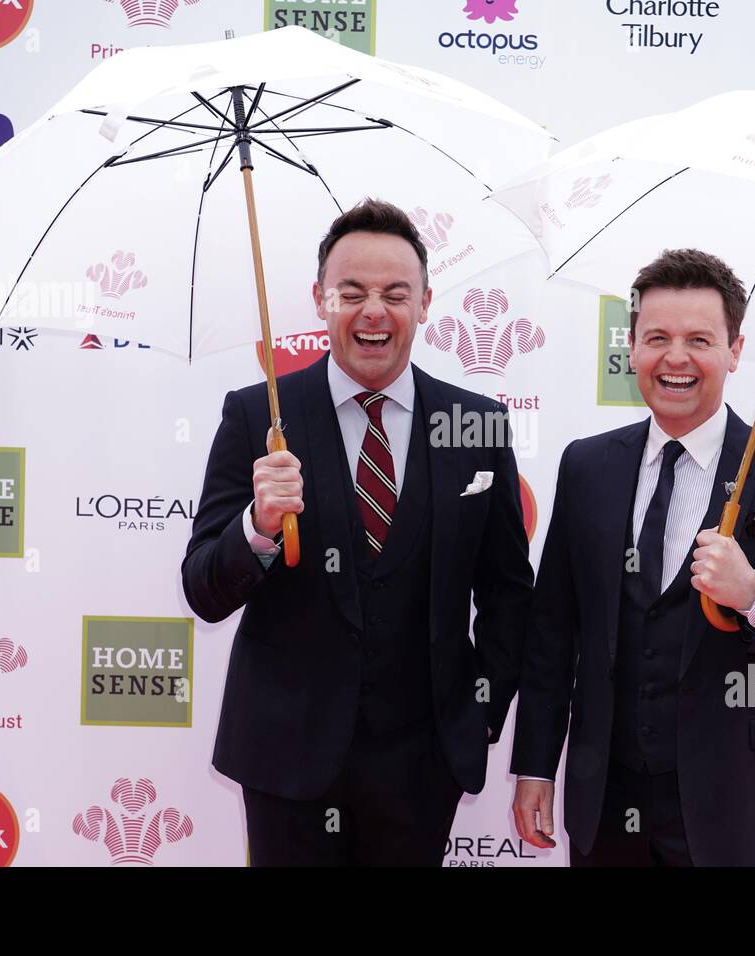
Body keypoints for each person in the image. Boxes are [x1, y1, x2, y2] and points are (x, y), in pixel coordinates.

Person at [182, 199, 533, 866]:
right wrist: (256, 527)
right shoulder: (259, 414)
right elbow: (203, 588)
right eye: (353, 292)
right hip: (286, 762)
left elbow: (509, 592)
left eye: (395, 293)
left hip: (421, 768)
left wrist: (477, 710)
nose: (374, 310)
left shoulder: (477, 424)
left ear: (426, 303)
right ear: (320, 299)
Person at [510, 248, 755, 866]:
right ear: (632, 347)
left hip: (737, 808)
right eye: (657, 337)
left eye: (699, 339)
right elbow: (552, 634)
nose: (676, 357)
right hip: (608, 802)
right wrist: (535, 767)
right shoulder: (586, 466)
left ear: (734, 351)